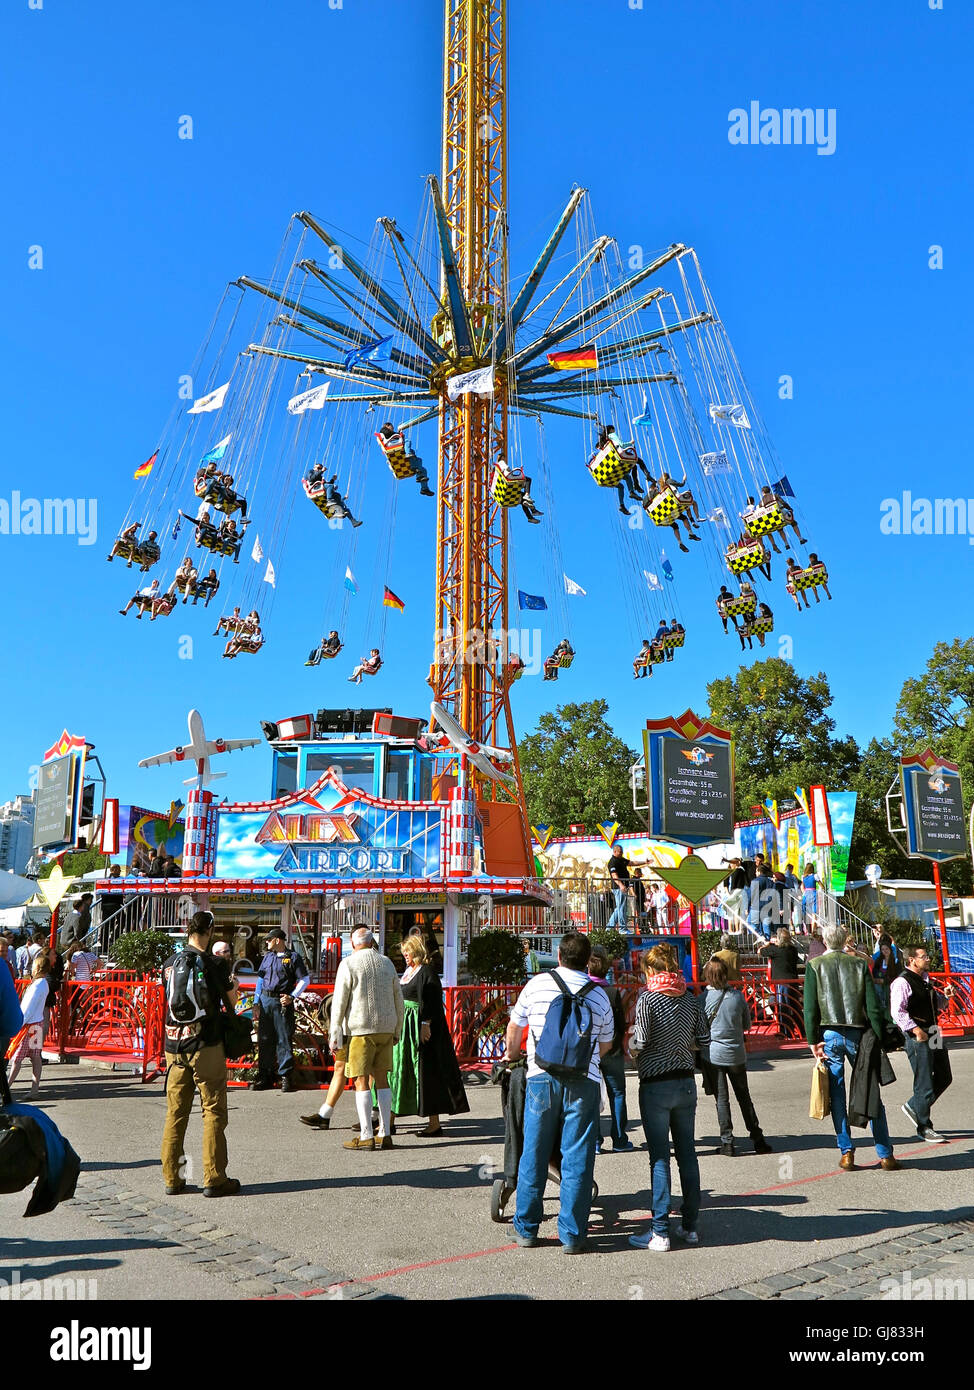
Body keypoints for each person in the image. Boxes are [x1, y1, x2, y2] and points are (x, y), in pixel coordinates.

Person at [504, 931, 614, 1254]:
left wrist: (513, 1055)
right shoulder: (599, 996)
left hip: (541, 1078)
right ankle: (573, 1234)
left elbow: (515, 1027)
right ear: (587, 959)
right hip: (584, 1082)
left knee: (534, 1152)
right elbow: (606, 1044)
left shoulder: (536, 985)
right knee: (577, 1157)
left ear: (559, 955)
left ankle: (526, 1228)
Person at [628, 943, 710, 1251]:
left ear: (651, 970)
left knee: (659, 1157)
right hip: (685, 1082)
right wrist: (681, 1047)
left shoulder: (647, 998)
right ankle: (690, 1225)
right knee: (687, 1153)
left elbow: (643, 1039)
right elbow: (705, 1039)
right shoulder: (690, 999)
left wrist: (631, 1048)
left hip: (655, 1084)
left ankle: (659, 1230)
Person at [803, 923, 899, 1172]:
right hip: (859, 1033)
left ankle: (847, 1151)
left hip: (830, 1033)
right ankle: (885, 1153)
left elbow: (810, 1007)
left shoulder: (814, 966)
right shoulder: (858, 965)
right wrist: (880, 1035)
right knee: (870, 1090)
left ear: (825, 941)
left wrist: (813, 1040)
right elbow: (873, 1004)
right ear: (845, 940)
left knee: (836, 1094)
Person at [161, 911, 240, 1197]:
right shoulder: (215, 963)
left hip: (174, 1047)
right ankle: (214, 1178)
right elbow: (233, 998)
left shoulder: (169, 964)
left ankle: (174, 1177)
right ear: (209, 931)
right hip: (206, 1043)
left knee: (176, 1112)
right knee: (213, 1110)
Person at [329, 925, 404, 1151]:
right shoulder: (387, 963)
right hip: (386, 1029)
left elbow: (339, 1003)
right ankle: (385, 1132)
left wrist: (335, 1035)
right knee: (382, 1080)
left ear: (352, 943)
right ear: (372, 942)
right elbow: (398, 1000)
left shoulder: (349, 964)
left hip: (361, 1029)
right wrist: (397, 1030)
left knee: (360, 1080)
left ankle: (366, 1135)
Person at [389, 936, 468, 1136]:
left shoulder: (426, 971)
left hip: (417, 1025)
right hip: (406, 1026)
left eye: (407, 952)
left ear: (415, 951)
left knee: (425, 1073)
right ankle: (388, 1119)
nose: (405, 956)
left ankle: (433, 1123)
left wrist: (425, 1024)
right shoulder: (409, 971)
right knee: (398, 1072)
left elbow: (432, 1000)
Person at [703, 956, 772, 1156]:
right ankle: (757, 1138)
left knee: (721, 1100)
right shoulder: (737, 997)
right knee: (744, 1097)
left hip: (713, 1054)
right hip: (736, 1053)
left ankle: (728, 1142)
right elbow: (747, 1025)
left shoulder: (703, 1000)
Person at [891, 944, 953, 1144]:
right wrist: (915, 1030)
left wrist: (946, 997)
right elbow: (898, 1012)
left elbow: (935, 1004)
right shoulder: (902, 981)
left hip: (934, 1031)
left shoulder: (926, 980)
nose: (927, 959)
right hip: (919, 1035)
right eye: (923, 956)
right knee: (924, 1080)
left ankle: (913, 1106)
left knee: (944, 1076)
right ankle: (924, 1126)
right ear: (912, 960)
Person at [252, 928, 309, 1093]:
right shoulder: (268, 957)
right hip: (265, 1000)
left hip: (282, 1001)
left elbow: (304, 979)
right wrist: (256, 1002)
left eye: (269, 940)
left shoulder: (293, 957)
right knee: (264, 1038)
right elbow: (260, 980)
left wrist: (292, 996)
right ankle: (265, 1075)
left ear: (277, 940)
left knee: (283, 1038)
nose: (267, 942)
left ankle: (285, 1076)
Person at [588, 948, 632, 1154]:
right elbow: (621, 1023)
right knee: (617, 1093)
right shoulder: (612, 992)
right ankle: (619, 1138)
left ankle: (596, 1140)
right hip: (612, 1049)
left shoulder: (584, 991)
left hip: (590, 1051)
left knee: (592, 1095)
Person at [7, 955, 53, 1095]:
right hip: (37, 1023)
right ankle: (34, 1088)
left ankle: (6, 1088)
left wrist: (18, 1023)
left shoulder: (37, 985)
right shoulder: (43, 983)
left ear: (37, 967)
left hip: (28, 1026)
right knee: (35, 1056)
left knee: (17, 1057)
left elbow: (27, 1008)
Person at [757, 927, 802, 1037]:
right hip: (793, 981)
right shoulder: (793, 949)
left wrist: (768, 944)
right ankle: (802, 1030)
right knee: (795, 1007)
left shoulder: (775, 950)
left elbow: (760, 952)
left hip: (781, 983)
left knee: (783, 1008)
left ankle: (786, 1032)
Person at [494, 457, 542, 522]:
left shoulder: (496, 470)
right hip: (508, 480)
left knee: (523, 500)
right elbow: (507, 469)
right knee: (528, 480)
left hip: (505, 491)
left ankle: (531, 515)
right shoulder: (501, 463)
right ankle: (527, 496)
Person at [871, 933, 902, 1011]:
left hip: (890, 985)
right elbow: (875, 972)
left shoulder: (895, 961)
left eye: (886, 949)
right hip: (880, 986)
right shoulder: (878, 961)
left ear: (890, 949)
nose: (885, 951)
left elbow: (898, 976)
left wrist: (885, 981)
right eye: (883, 949)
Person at [606, 844, 631, 929]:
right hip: (618, 888)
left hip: (622, 887)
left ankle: (609, 928)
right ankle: (622, 928)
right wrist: (621, 885)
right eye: (620, 852)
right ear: (615, 851)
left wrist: (645, 862)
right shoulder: (613, 862)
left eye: (622, 852)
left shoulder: (621, 860)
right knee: (621, 908)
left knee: (619, 907)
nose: (621, 853)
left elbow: (632, 863)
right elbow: (614, 875)